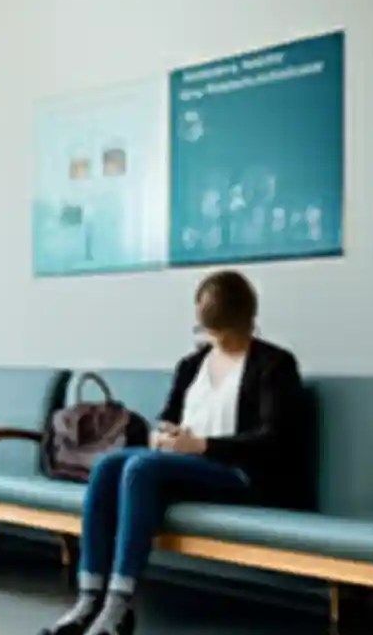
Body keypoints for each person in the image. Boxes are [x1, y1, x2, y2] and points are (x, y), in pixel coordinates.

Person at [40, 270, 303, 635]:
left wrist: (203, 445)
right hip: (186, 465)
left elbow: (274, 439)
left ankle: (118, 606)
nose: (214, 339)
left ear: (244, 320)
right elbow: (166, 417)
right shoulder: (192, 365)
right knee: (109, 465)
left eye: (220, 331)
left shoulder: (275, 365)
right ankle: (88, 599)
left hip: (240, 474)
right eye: (208, 330)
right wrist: (165, 434)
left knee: (139, 468)